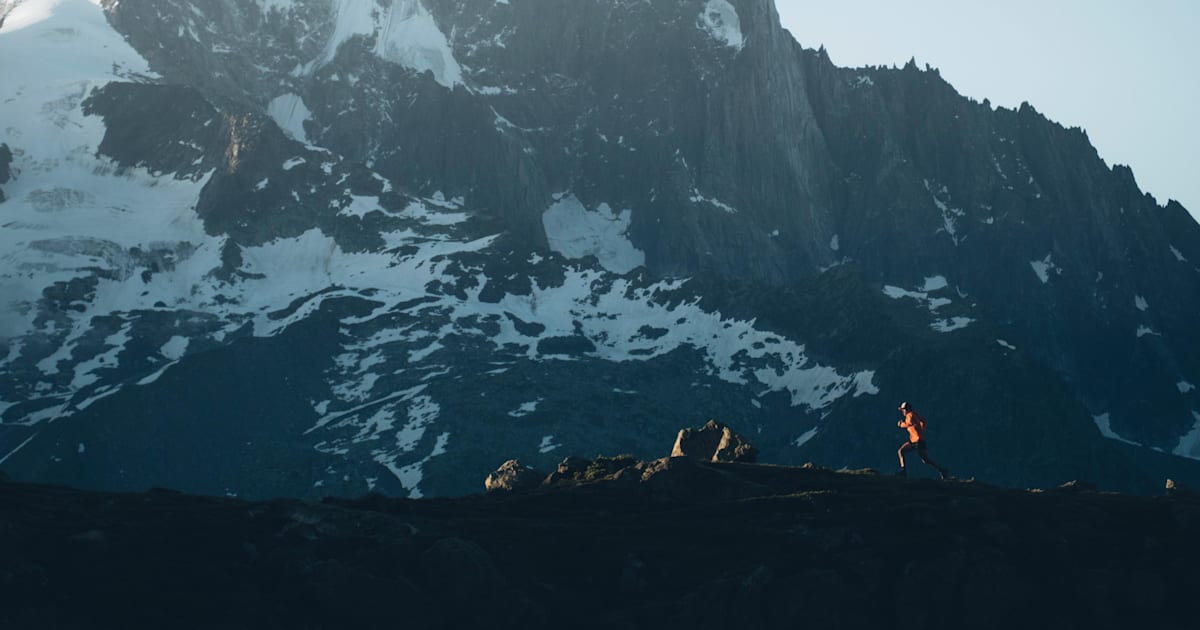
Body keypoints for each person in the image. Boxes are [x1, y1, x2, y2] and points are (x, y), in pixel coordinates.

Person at [895, 401, 950, 479]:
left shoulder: (909, 415)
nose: (902, 412)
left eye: (903, 410)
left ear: (906, 410)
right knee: (903, 452)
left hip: (917, 441)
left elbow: (909, 424)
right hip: (917, 440)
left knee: (922, 459)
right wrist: (922, 430)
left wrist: (901, 424)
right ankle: (942, 470)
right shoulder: (914, 414)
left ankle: (942, 470)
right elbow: (923, 420)